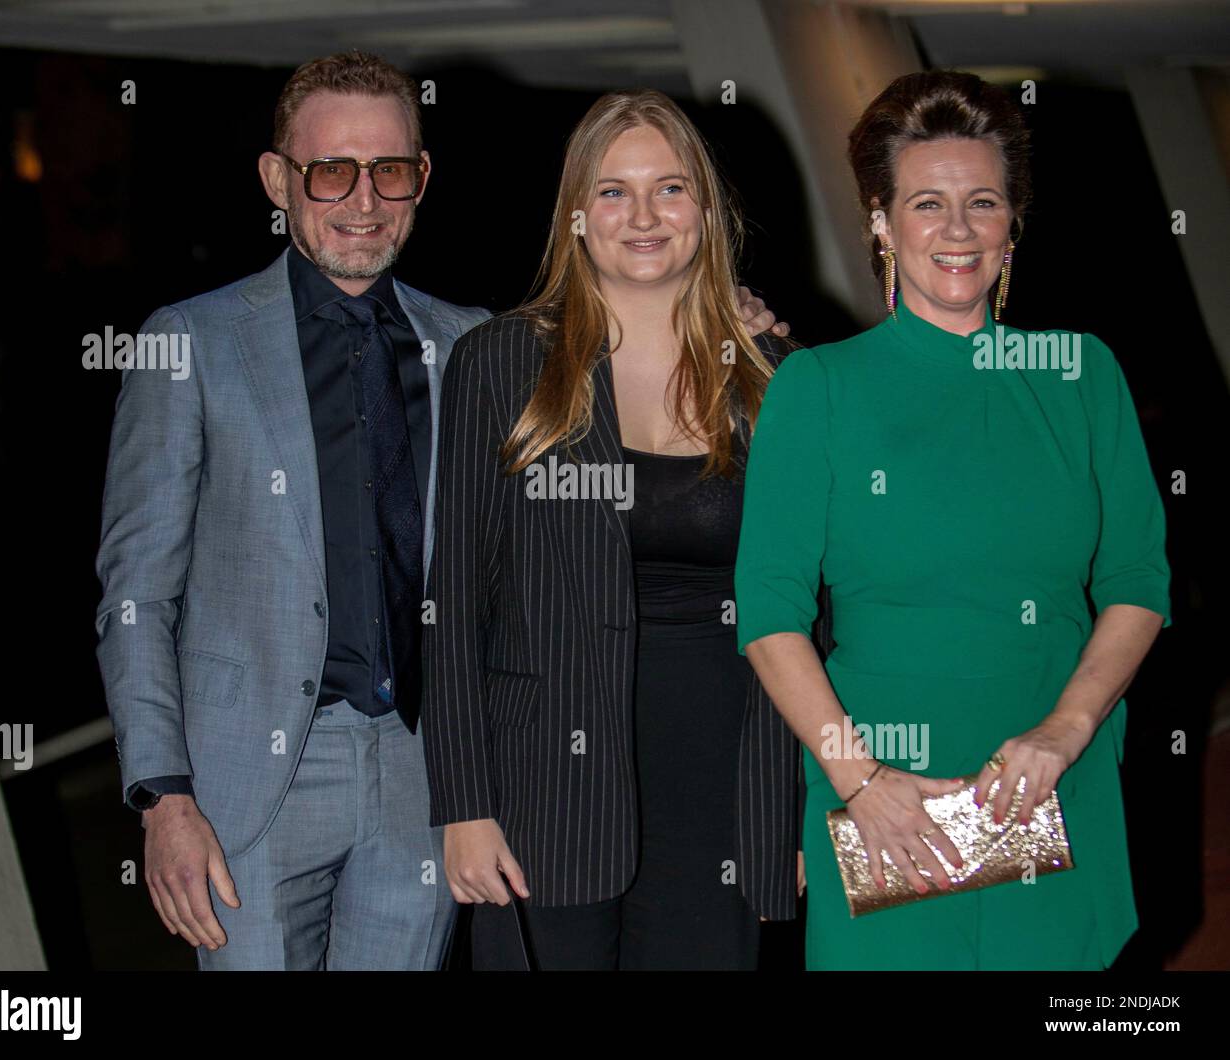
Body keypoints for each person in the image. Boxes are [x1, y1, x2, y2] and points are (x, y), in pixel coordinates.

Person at [95, 52, 781, 970]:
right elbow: (136, 592)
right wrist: (162, 793)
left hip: (428, 773)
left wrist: (729, 316)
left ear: (422, 179)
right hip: (253, 783)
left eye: (391, 170)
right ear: (277, 180)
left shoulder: (473, 345)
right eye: (331, 171)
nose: (363, 199)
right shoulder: (189, 341)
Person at [736, 69, 1170, 970]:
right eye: (928, 203)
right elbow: (770, 613)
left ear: (1013, 224)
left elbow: (1137, 584)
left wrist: (1066, 730)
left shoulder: (1081, 375)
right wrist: (862, 782)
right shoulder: (820, 388)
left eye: (984, 202)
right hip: (889, 796)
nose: (960, 229)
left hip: (1056, 778)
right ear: (883, 224)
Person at [422, 89, 821, 970]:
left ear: (707, 211)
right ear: (574, 215)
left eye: (669, 188)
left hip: (723, 787)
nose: (642, 215)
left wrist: (803, 806)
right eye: (612, 191)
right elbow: (452, 605)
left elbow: (813, 616)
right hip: (540, 791)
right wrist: (462, 804)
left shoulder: (778, 378)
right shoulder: (501, 360)